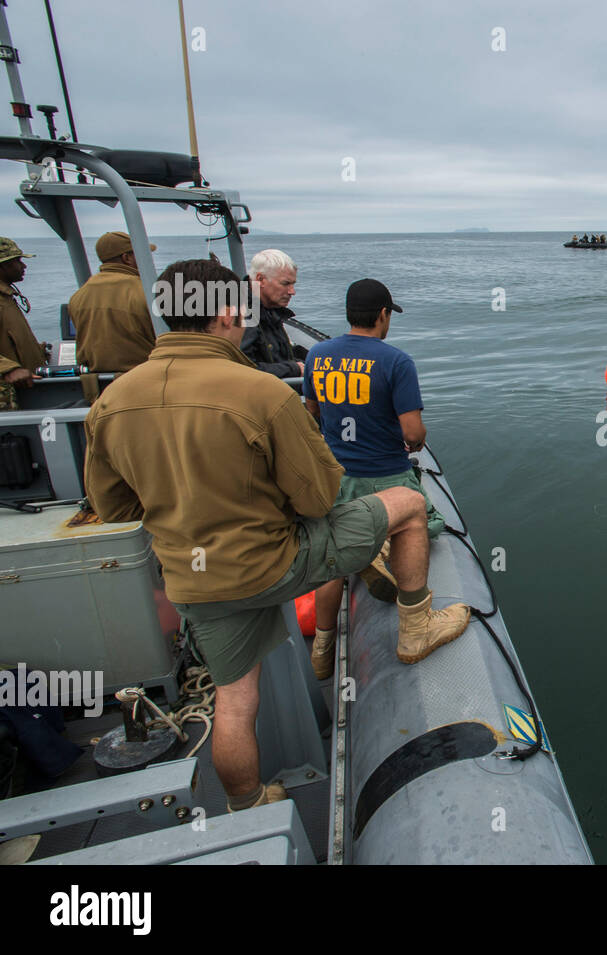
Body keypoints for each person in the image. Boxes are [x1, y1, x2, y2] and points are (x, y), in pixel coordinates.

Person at [82, 258, 471, 812]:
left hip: (196, 583)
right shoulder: (261, 394)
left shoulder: (112, 402)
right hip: (276, 564)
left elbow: (114, 506)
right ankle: (415, 628)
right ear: (224, 313)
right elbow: (316, 501)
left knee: (235, 702)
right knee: (408, 506)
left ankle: (248, 802)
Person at [302, 279, 462, 679]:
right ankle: (415, 629)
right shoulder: (396, 362)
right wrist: (416, 442)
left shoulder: (318, 355)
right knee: (429, 523)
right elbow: (412, 433)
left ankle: (322, 647)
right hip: (388, 476)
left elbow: (311, 414)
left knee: (332, 562)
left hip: (338, 478)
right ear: (382, 315)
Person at [67, 231, 158, 372]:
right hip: (143, 378)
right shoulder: (148, 291)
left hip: (96, 384)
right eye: (142, 254)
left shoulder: (78, 296)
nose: (148, 259)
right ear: (126, 258)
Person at [241, 249, 304, 379]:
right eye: (285, 284)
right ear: (261, 279)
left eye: (293, 284)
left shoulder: (270, 311)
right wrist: (294, 369)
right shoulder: (243, 316)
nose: (292, 292)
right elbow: (243, 369)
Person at [0, 238, 47, 411]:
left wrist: (38, 352)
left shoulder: (6, 296)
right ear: (3, 266)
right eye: (18, 261)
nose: (23, 266)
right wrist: (9, 369)